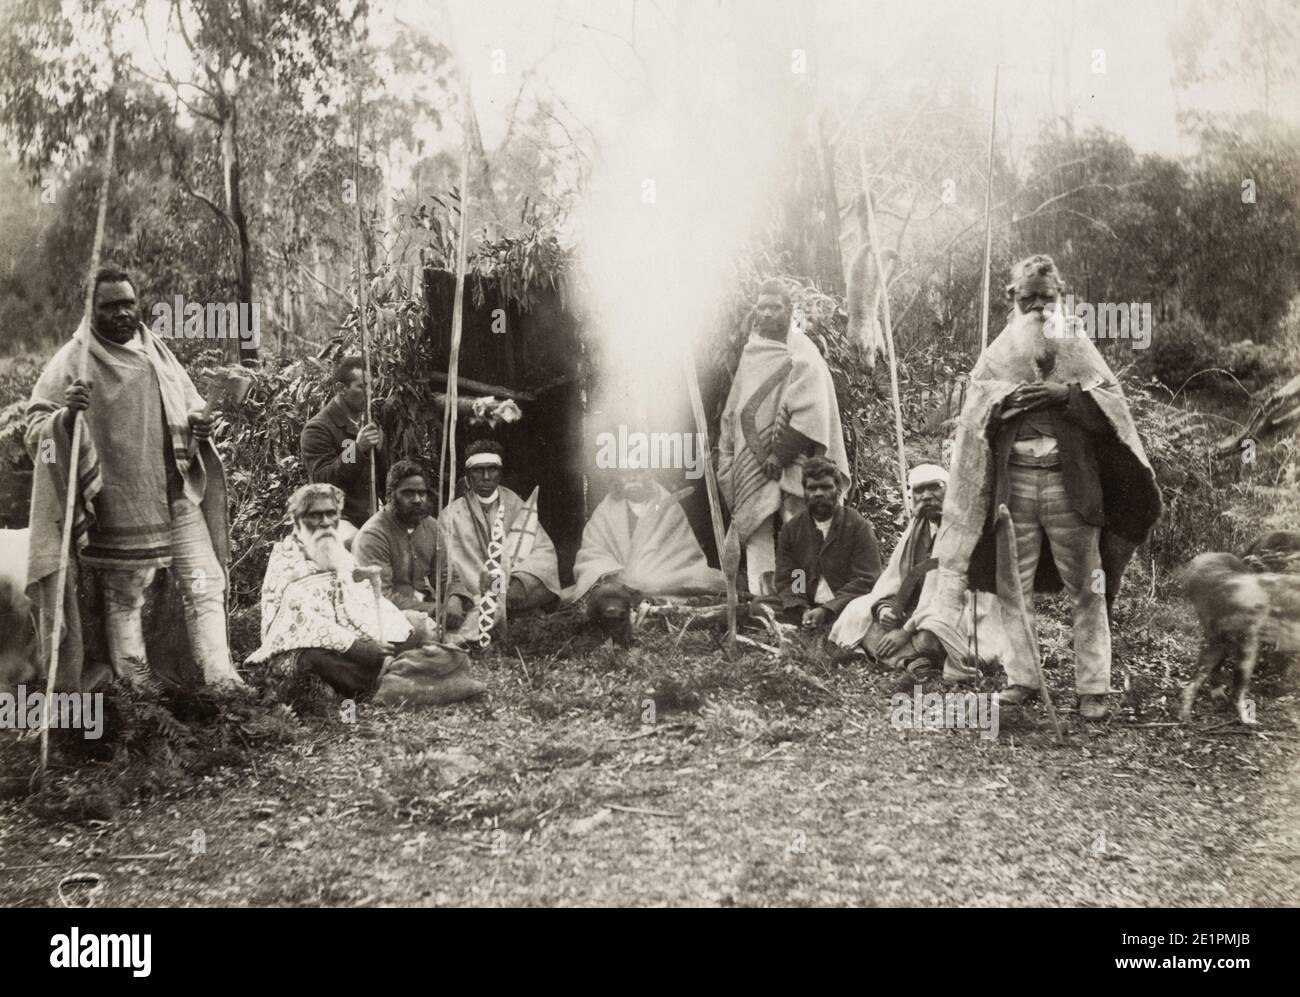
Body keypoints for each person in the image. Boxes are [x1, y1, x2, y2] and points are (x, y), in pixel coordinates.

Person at [921, 255, 1161, 719]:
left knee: (1089, 587)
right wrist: (1004, 398)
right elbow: (973, 419)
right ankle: (1023, 680)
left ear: (1060, 297)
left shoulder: (1079, 347)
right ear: (1011, 298)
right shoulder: (995, 354)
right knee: (1013, 590)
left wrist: (1065, 396)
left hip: (1071, 488)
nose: (1036, 307)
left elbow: (1112, 414)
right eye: (1026, 298)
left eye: (1045, 298)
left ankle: (1093, 689)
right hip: (1015, 490)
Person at [24, 264, 243, 690]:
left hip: (177, 491)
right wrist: (66, 414)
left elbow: (191, 405)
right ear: (91, 310)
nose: (123, 313)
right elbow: (38, 431)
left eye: (129, 303)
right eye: (110, 306)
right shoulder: (74, 359)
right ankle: (139, 699)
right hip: (119, 503)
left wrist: (199, 425)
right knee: (125, 596)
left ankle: (222, 681)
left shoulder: (155, 349)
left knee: (205, 581)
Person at [718, 279, 850, 597]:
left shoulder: (802, 349)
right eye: (762, 307)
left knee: (798, 529)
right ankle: (761, 598)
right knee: (756, 528)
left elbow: (812, 405)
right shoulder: (752, 352)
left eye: (774, 307)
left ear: (787, 310)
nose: (767, 314)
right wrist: (739, 450)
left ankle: (802, 596)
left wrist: (781, 453)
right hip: (754, 460)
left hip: (795, 458)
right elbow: (739, 408)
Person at [830, 464, 1006, 690]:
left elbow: (959, 597)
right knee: (856, 610)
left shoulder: (968, 530)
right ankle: (913, 661)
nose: (926, 496)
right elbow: (895, 578)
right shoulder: (917, 529)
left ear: (951, 490)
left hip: (961, 615)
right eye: (919, 491)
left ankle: (910, 658)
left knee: (928, 637)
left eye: (934, 487)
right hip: (916, 611)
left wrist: (905, 631)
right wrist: (886, 609)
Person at [246, 483, 419, 696]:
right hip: (307, 649)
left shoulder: (340, 556)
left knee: (408, 632)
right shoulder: (285, 559)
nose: (326, 522)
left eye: (331, 514)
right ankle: (384, 680)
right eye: (315, 515)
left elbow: (363, 601)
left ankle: (384, 676)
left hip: (353, 644)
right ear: (297, 519)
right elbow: (303, 621)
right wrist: (358, 648)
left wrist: (385, 633)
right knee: (314, 661)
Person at [567, 467, 724, 640]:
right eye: (625, 474)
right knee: (606, 597)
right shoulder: (605, 510)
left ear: (648, 475)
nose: (632, 478)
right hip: (619, 582)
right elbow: (593, 548)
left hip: (663, 578)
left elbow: (680, 549)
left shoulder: (668, 505)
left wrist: (645, 576)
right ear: (618, 479)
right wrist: (613, 573)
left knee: (699, 581)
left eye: (638, 472)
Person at [439, 440, 561, 646]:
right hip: (474, 592)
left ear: (500, 472)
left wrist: (521, 580)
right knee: (470, 622)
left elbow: (542, 548)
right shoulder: (451, 514)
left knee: (525, 596)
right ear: (468, 475)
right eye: (479, 470)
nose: (486, 477)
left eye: (492, 470)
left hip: (512, 588)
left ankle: (504, 617)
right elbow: (448, 562)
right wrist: (458, 596)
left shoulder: (514, 502)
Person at [768, 457, 880, 629]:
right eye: (812, 488)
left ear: (838, 490)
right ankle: (808, 620)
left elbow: (865, 579)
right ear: (804, 493)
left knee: (865, 610)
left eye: (826, 487)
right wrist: (802, 607)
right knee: (761, 606)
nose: (819, 493)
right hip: (809, 603)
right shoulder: (793, 529)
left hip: (844, 604)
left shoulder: (857, 526)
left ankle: (826, 623)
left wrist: (829, 608)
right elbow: (793, 575)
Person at [300, 356, 388, 532]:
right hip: (338, 520)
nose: (370, 393)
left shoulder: (369, 421)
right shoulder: (317, 429)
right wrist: (357, 449)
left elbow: (384, 477)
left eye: (371, 386)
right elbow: (324, 480)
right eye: (362, 387)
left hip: (373, 516)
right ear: (341, 388)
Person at [353, 460, 442, 623]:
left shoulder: (431, 525)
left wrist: (455, 601)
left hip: (431, 609)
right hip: (391, 616)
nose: (417, 500)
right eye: (408, 493)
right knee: (417, 624)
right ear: (389, 496)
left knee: (485, 609)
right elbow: (380, 596)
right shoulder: (373, 535)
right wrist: (433, 609)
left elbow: (446, 574)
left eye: (422, 493)